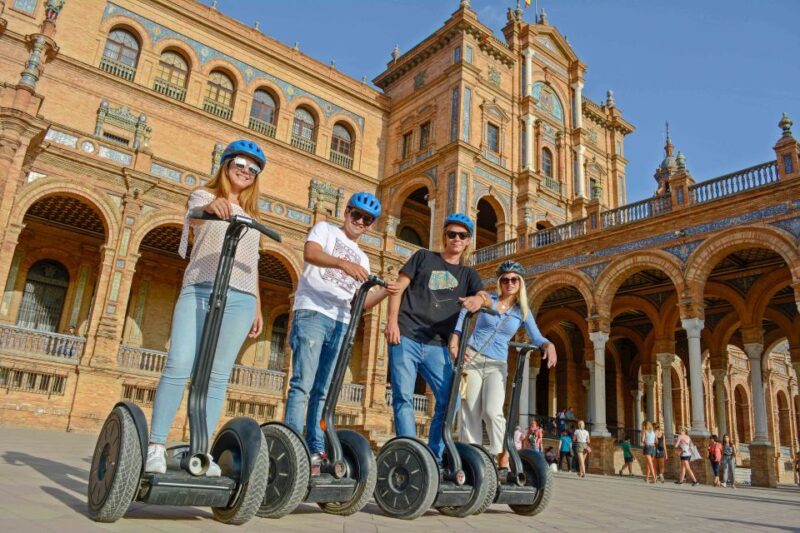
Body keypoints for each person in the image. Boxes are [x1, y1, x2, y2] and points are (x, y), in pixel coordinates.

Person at [145, 140, 267, 475]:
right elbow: (196, 220)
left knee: (217, 375)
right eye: (239, 163)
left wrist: (257, 305)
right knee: (179, 362)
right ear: (226, 165)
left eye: (252, 169)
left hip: (241, 299)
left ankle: (201, 452)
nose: (245, 170)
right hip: (200, 288)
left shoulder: (254, 216)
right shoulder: (204, 196)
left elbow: (252, 263)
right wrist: (214, 206)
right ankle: (156, 445)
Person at [284, 191, 397, 469]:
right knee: (302, 384)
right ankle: (291, 445)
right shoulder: (325, 230)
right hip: (313, 311)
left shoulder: (364, 258)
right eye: (356, 214)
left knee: (324, 389)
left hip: (342, 321)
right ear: (346, 212)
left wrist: (384, 292)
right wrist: (342, 263)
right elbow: (310, 254)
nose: (360, 221)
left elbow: (360, 301)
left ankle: (316, 448)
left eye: (367, 219)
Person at [385, 213, 491, 463]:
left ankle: (433, 455)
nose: (456, 238)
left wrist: (479, 299)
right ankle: (409, 455)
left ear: (468, 241)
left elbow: (485, 296)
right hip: (407, 336)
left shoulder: (468, 275)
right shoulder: (423, 257)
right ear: (445, 237)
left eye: (462, 236)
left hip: (438, 345)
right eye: (452, 234)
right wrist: (391, 321)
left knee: (450, 400)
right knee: (403, 397)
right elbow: (398, 287)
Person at [453, 260, 556, 470]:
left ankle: (502, 453)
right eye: (506, 279)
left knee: (492, 411)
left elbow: (536, 336)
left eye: (514, 280)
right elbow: (466, 310)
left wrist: (549, 344)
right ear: (500, 282)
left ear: (520, 284)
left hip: (496, 364)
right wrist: (456, 340)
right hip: (472, 358)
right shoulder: (487, 298)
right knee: (470, 411)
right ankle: (472, 459)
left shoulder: (522, 312)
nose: (510, 283)